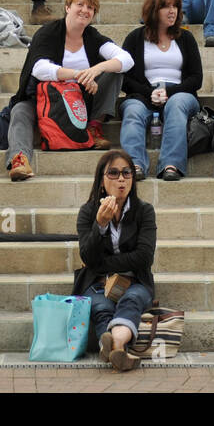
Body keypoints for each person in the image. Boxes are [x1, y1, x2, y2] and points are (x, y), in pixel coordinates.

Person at [4, 0, 134, 181]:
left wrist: (95, 70)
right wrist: (79, 75)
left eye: (90, 7)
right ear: (67, 7)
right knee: (20, 111)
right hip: (44, 100)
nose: (85, 10)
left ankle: (93, 126)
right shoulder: (48, 33)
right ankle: (19, 159)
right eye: (79, 4)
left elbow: (127, 59)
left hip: (80, 102)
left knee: (114, 72)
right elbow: (39, 68)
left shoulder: (92, 36)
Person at [72, 149, 156, 372]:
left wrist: (102, 264)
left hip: (135, 281)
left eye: (127, 173)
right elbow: (87, 257)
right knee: (101, 307)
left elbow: (145, 257)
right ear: (102, 180)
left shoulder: (144, 211)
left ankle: (112, 345)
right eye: (114, 173)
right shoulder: (88, 212)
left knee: (132, 300)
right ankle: (118, 349)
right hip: (98, 283)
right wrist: (99, 226)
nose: (121, 179)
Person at [119, 0, 203, 181]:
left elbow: (196, 78)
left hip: (180, 94)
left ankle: (170, 164)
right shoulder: (135, 38)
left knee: (176, 105)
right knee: (132, 111)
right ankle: (134, 164)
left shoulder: (186, 38)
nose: (172, 11)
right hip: (143, 94)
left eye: (176, 6)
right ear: (153, 10)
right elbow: (125, 79)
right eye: (166, 7)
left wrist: (168, 91)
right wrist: (150, 93)